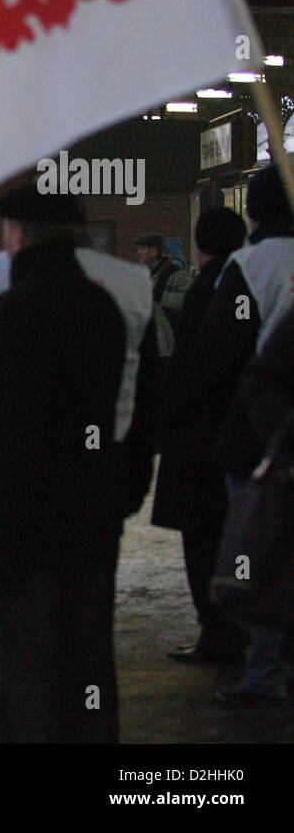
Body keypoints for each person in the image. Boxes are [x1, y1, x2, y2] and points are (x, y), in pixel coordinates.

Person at [0, 183, 127, 743]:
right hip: (92, 522)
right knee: (87, 666)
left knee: (27, 674)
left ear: (17, 237)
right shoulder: (104, 307)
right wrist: (117, 492)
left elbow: (0, 438)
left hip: (26, 534)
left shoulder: (15, 315)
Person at [196, 165, 294, 705]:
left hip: (260, 443)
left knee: (259, 554)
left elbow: (220, 355)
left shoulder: (249, 266)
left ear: (253, 210)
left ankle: (263, 674)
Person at [150, 207, 249, 664]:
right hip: (242, 435)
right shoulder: (242, 282)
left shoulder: (205, 289)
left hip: (200, 440)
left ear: (201, 244)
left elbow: (190, 366)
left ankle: (218, 632)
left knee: (204, 541)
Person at [135, 234, 192, 361]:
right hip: (148, 343)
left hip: (164, 344)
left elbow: (190, 299)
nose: (137, 253)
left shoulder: (173, 273)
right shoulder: (144, 273)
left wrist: (160, 296)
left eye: (141, 249)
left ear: (154, 251)